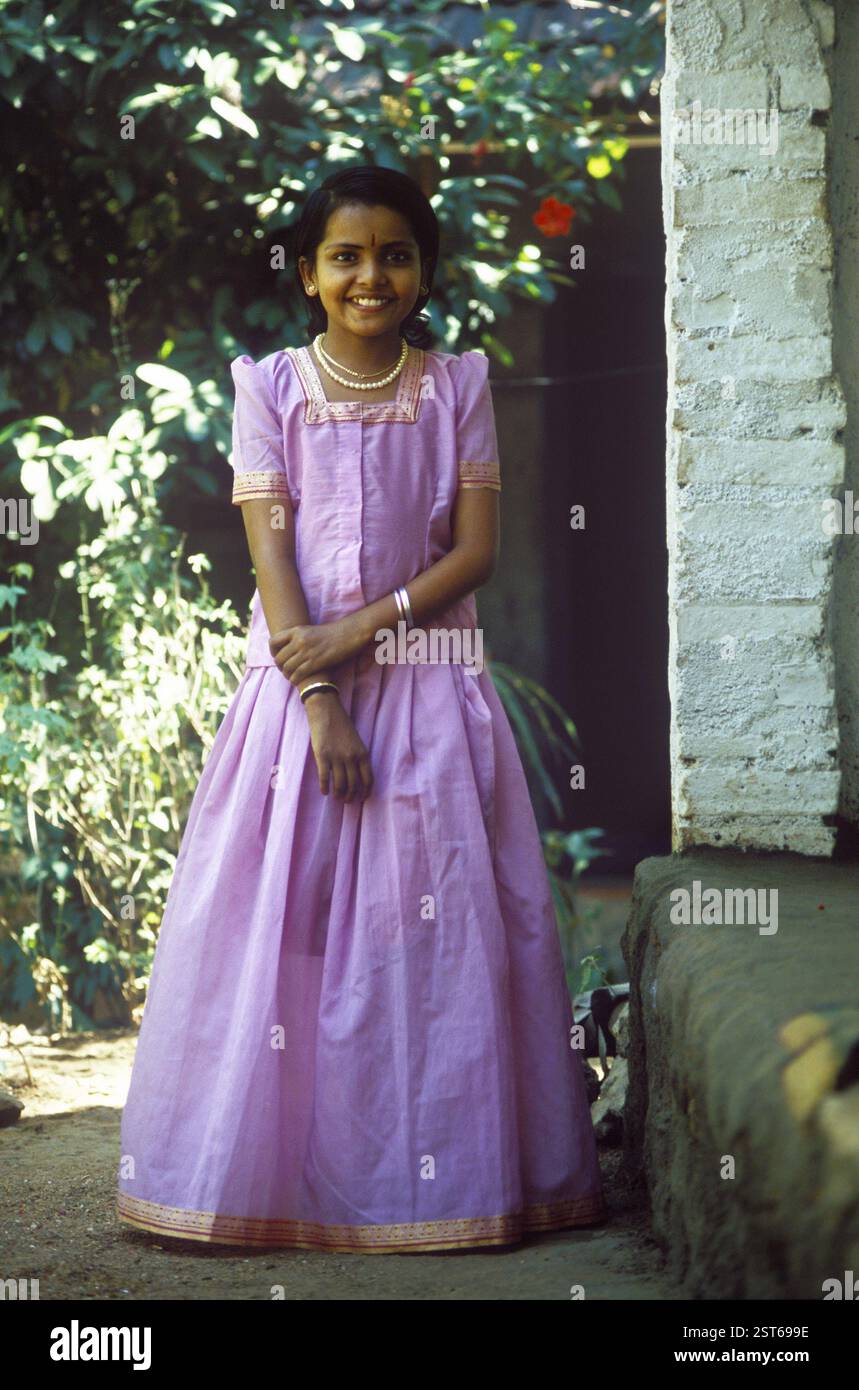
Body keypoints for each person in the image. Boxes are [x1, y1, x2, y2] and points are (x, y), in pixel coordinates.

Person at [116, 165, 605, 1253]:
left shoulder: (456, 385)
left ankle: (431, 1182)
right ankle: (278, 1175)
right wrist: (323, 689)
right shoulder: (272, 388)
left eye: (393, 253)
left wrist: (363, 627)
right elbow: (273, 557)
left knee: (422, 937)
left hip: (430, 685)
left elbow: (471, 554)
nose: (369, 274)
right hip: (298, 701)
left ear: (423, 270)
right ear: (307, 274)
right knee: (281, 937)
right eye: (345, 255)